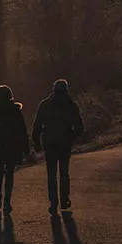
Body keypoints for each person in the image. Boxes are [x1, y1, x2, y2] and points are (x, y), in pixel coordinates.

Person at [32, 78, 85, 215]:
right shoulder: (71, 105)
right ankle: (64, 200)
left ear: (53, 90)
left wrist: (36, 142)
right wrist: (72, 137)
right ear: (66, 90)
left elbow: (37, 125)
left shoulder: (45, 104)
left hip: (49, 142)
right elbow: (79, 127)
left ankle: (53, 202)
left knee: (51, 174)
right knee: (64, 173)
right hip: (65, 143)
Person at [0, 85, 30, 213]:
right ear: (10, 96)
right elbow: (22, 131)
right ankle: (7, 202)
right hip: (12, 146)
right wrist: (26, 148)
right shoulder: (15, 111)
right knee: (9, 174)